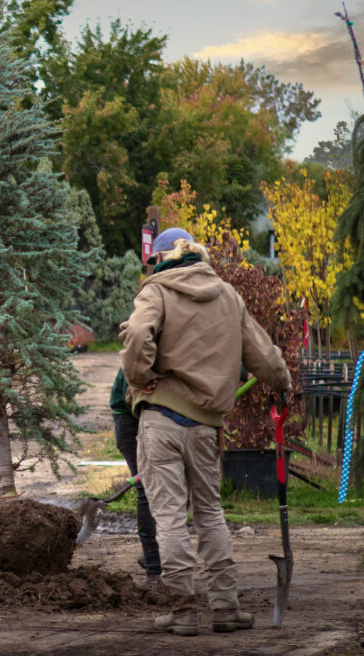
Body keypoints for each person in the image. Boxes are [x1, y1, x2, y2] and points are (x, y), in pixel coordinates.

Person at [120, 227, 291, 637]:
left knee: (171, 518)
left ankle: (183, 613)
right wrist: (282, 381)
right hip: (204, 427)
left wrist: (139, 376)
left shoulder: (156, 291)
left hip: (161, 420)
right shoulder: (228, 295)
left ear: (161, 257)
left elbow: (139, 334)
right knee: (211, 515)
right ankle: (225, 608)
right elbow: (263, 356)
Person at [109, 368, 162, 585]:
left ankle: (156, 551)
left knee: (175, 487)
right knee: (148, 489)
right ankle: (153, 566)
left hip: (161, 417)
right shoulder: (148, 341)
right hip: (132, 418)